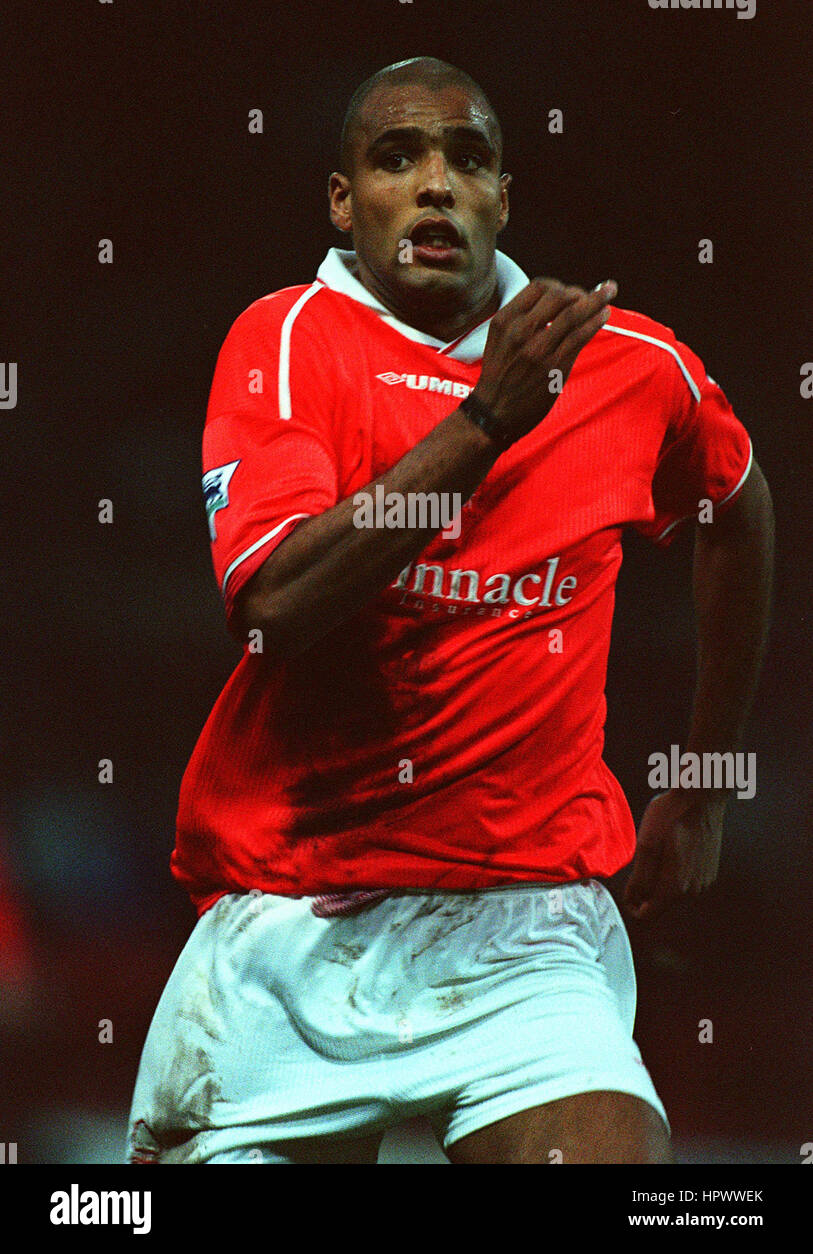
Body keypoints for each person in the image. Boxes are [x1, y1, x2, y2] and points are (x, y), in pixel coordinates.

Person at [127, 57, 774, 1165]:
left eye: (467, 159)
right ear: (345, 202)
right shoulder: (287, 343)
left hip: (526, 930)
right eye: (398, 157)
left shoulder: (625, 364)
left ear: (503, 199)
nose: (437, 185)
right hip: (296, 914)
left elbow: (740, 510)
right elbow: (274, 601)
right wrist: (488, 419)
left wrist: (705, 782)